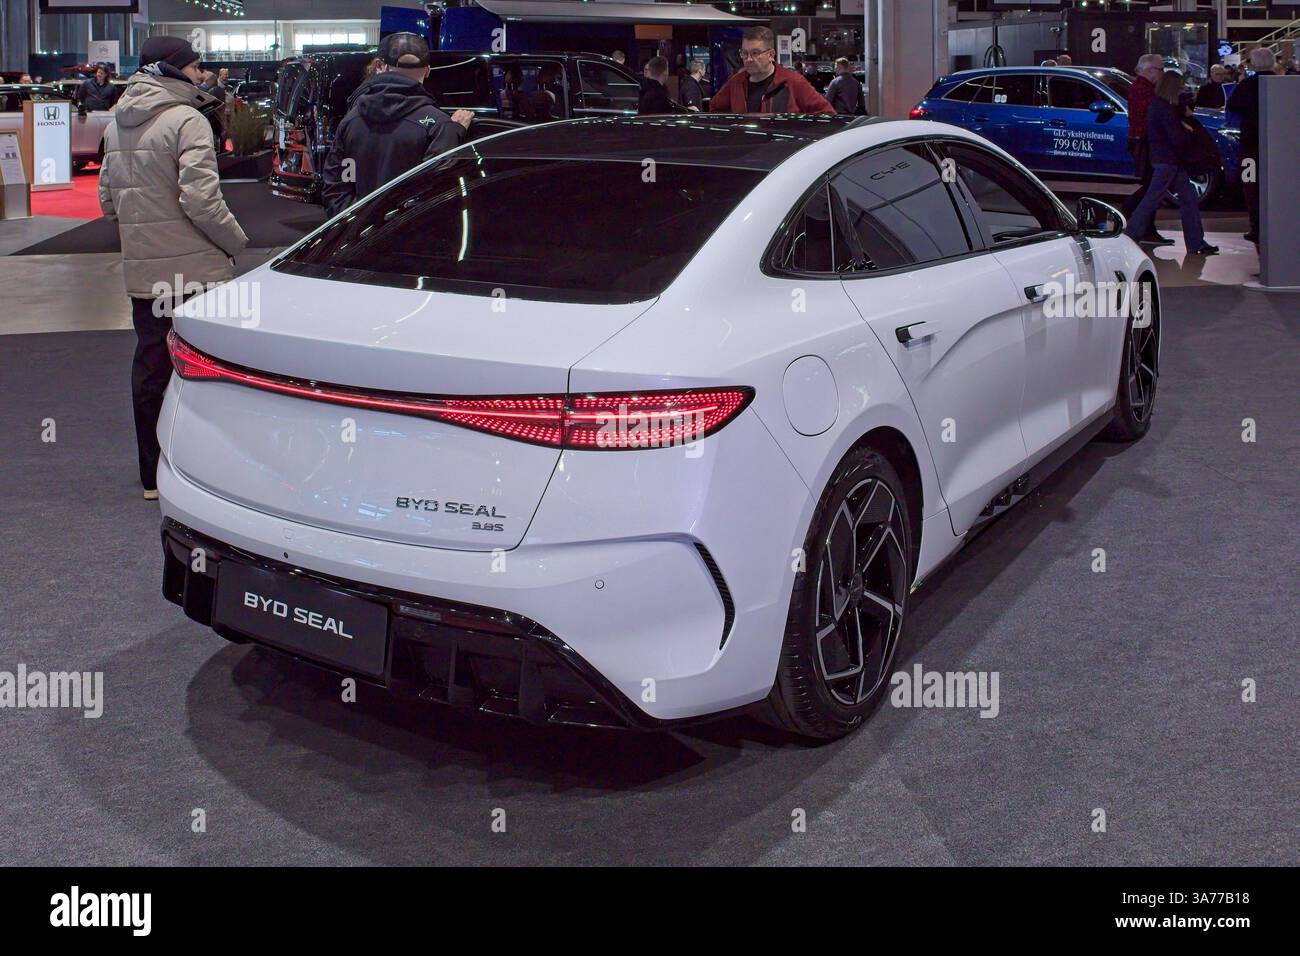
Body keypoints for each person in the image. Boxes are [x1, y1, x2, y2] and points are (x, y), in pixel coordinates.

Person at [97, 36, 248, 500]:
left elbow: (107, 203)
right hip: (197, 271)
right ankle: (203, 475)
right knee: (207, 370)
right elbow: (201, 200)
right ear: (175, 69)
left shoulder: (116, 124)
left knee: (151, 365)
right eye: (197, 66)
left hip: (145, 272)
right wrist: (237, 241)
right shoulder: (188, 120)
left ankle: (151, 475)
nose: (202, 75)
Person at [321, 32, 473, 216]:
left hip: (357, 240)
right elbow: (432, 190)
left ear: (379, 66)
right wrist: (452, 132)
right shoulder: (438, 124)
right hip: (404, 238)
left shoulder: (351, 120)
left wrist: (355, 227)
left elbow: (334, 187)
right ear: (427, 71)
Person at [1124, 68, 1217, 255]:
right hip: (1168, 161)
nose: (1183, 89)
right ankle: (1129, 237)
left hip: (1166, 160)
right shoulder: (1164, 108)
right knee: (1153, 200)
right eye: (1180, 86)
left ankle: (1196, 242)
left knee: (1185, 199)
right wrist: (1188, 130)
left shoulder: (1159, 106)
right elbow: (1176, 137)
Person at [710, 26, 833, 114]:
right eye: (744, 53)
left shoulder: (793, 82)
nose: (748, 59)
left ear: (771, 54)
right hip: (747, 148)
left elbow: (826, 114)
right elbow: (715, 111)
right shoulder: (735, 82)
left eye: (755, 53)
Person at [1119, 53, 1172, 245]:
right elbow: (1153, 112)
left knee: (1153, 185)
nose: (1162, 72)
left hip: (1145, 140)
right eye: (1160, 69)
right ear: (1150, 70)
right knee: (1152, 186)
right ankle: (1131, 209)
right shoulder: (1142, 89)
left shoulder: (1146, 88)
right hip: (1144, 141)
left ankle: (1148, 229)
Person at [1226, 47, 1276, 246]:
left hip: (1250, 146)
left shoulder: (1246, 86)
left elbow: (1233, 106)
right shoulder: (1282, 84)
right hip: (1277, 147)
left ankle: (1256, 228)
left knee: (1251, 186)